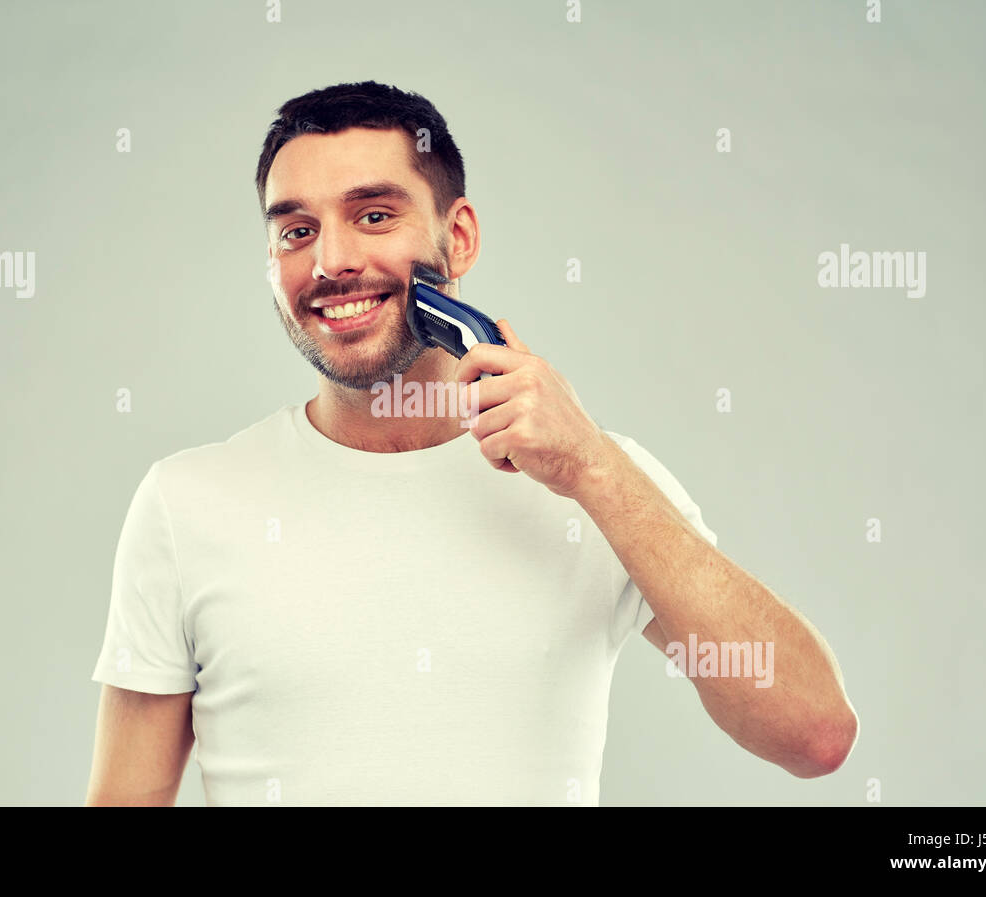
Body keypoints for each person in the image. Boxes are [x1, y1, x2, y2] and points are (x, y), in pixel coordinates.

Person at [85, 81, 858, 806]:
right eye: (297, 231)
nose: (332, 262)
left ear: (457, 237)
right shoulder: (186, 503)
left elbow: (813, 731)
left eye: (375, 215)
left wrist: (591, 467)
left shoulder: (589, 481)